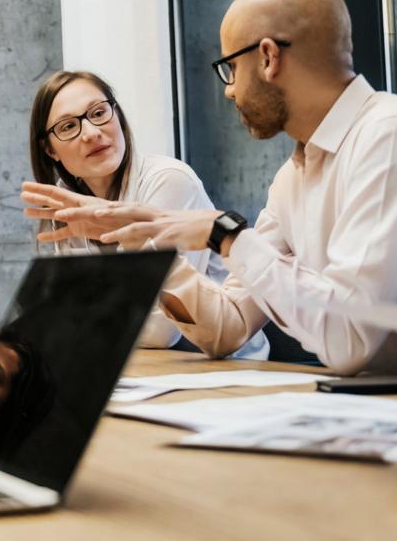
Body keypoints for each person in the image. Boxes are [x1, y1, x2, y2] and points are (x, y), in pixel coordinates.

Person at [32, 0, 397, 384]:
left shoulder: (396, 136)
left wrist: (225, 234)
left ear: (269, 57)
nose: (229, 90)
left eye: (229, 69)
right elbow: (227, 328)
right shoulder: (293, 177)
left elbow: (349, 338)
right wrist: (136, 239)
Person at [22, 70, 268, 358]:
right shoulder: (64, 201)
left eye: (99, 112)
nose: (91, 133)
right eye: (67, 127)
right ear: (49, 149)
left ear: (117, 113)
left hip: (222, 367)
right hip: (134, 368)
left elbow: (162, 330)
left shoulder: (169, 180)